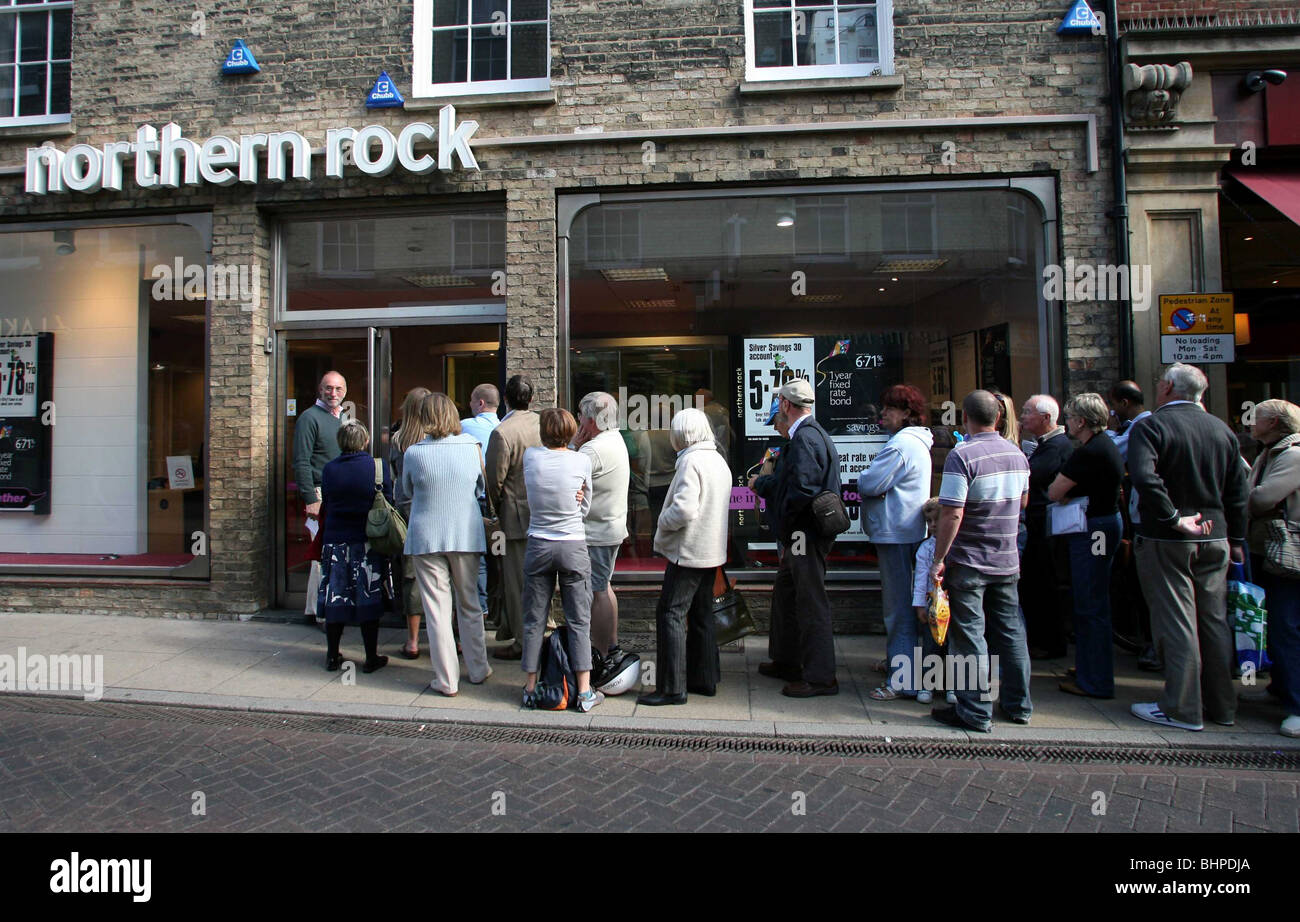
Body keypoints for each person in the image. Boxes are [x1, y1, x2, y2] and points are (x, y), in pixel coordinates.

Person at [1128, 363, 1249, 732]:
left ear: (1166, 387)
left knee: (1176, 623)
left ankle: (1181, 707)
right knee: (1213, 621)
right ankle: (1222, 707)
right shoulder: (1222, 429)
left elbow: (1145, 477)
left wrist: (1172, 517)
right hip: (1216, 536)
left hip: (1170, 538)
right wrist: (1239, 539)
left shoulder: (1151, 426)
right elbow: (1238, 491)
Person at [929, 390, 1032, 732]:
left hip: (971, 559)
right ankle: (1018, 705)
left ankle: (974, 710)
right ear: (999, 418)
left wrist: (939, 557)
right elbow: (1023, 502)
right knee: (1011, 631)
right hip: (1006, 558)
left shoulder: (963, 455)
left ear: (964, 418)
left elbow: (952, 512)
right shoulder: (1017, 453)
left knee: (971, 634)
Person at [749, 378, 842, 698]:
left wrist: (764, 488)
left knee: (810, 600)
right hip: (802, 533)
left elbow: (801, 491)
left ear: (786, 405)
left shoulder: (806, 438)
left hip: (804, 533)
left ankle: (820, 677)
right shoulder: (811, 434)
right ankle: (788, 661)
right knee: (787, 596)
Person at [636, 408, 731, 706]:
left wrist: (663, 519)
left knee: (670, 613)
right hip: (710, 551)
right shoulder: (717, 459)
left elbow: (685, 509)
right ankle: (704, 679)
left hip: (687, 551)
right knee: (701, 614)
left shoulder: (691, 462)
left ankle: (672, 687)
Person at [402, 393, 493, 697]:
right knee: (470, 603)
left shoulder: (414, 453)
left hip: (426, 536)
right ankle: (478, 669)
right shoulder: (472, 447)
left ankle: (446, 679)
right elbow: (481, 488)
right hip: (466, 534)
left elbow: (406, 490)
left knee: (437, 610)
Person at [519, 408, 603, 712]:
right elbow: (586, 506)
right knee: (579, 620)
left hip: (539, 543)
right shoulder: (581, 460)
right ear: (571, 432)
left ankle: (530, 688)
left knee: (534, 619)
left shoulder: (530, 457)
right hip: (572, 545)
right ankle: (583, 692)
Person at [856, 384, 934, 700]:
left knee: (899, 607)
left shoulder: (901, 446)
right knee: (908, 603)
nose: (884, 413)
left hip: (897, 532)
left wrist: (863, 478)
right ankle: (904, 666)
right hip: (907, 530)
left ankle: (903, 680)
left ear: (906, 413)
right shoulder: (912, 443)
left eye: (890, 408)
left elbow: (870, 482)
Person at [1048, 393, 1125, 699]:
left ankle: (1095, 679)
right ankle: (1091, 668)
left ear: (1081, 421)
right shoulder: (1104, 446)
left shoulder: (1089, 452)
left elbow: (1055, 491)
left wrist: (1066, 492)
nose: (1066, 422)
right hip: (1104, 523)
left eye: (1069, 417)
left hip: (1094, 530)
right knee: (1093, 601)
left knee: (1090, 602)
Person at [317, 420, 391, 674]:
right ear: (365, 441)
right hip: (367, 540)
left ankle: (332, 655)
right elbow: (388, 501)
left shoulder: (329, 470)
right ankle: (370, 656)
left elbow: (326, 501)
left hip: (335, 539)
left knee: (336, 596)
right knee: (367, 596)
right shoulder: (377, 468)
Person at [1245, 399, 1300, 738]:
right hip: (1265, 547)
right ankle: (1281, 687)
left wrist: (1243, 494)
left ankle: (1296, 705)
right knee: (1277, 621)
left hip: (1286, 551)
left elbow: (1262, 498)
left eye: (1258, 417)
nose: (1251, 420)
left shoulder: (1292, 455)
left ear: (1276, 423)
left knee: (1286, 624)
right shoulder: (1270, 453)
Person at [572, 391, 633, 686]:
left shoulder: (591, 451)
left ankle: (599, 652)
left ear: (592, 419)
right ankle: (611, 644)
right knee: (604, 587)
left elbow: (565, 480)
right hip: (609, 527)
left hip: (595, 532)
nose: (577, 420)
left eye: (581, 415)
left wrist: (574, 445)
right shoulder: (615, 439)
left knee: (597, 590)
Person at [485, 375, 542, 660]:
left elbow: (494, 480)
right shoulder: (545, 423)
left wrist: (495, 509)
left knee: (518, 583)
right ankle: (541, 632)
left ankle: (523, 643)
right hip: (546, 514)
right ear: (531, 398)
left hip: (517, 516)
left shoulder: (502, 432)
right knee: (541, 581)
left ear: (506, 399)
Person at [1106, 380, 1159, 670]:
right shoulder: (1135, 427)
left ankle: (1151, 644)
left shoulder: (1141, 428)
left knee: (1146, 587)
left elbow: (1115, 452)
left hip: (1146, 521)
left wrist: (1109, 429)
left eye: (1113, 405)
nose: (1112, 411)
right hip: (1142, 519)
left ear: (1124, 403)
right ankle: (1148, 641)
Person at [1019, 393, 1074, 659]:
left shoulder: (1057, 447)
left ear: (1046, 418)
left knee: (1045, 583)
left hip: (1046, 527)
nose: (1022, 416)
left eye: (1028, 412)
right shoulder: (1045, 445)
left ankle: (1050, 642)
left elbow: (1033, 476)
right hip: (1040, 525)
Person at [294, 370, 346, 624]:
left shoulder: (341, 418)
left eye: (337, 388)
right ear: (320, 389)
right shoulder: (309, 418)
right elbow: (301, 461)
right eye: (328, 388)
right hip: (319, 492)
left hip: (336, 493)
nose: (333, 393)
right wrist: (310, 498)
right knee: (321, 552)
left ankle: (317, 608)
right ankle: (318, 611)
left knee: (330, 551)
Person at [390, 386, 431, 659]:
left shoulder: (398, 441)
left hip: (407, 513)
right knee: (446, 575)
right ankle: (455, 637)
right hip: (432, 512)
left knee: (411, 577)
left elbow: (396, 478)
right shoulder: (434, 439)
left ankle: (413, 640)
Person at [460, 383, 501, 626]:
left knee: (478, 555)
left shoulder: (465, 426)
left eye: (472, 401)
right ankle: (496, 608)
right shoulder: (504, 426)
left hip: (476, 499)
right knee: (500, 556)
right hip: (500, 501)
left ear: (480, 403)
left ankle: (482, 607)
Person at [912, 498, 956, 705]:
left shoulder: (957, 546)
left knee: (954, 646)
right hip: (933, 603)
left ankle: (954, 687)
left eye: (937, 520)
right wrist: (919, 604)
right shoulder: (925, 549)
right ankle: (928, 683)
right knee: (931, 646)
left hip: (953, 603)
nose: (933, 525)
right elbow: (920, 579)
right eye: (929, 521)